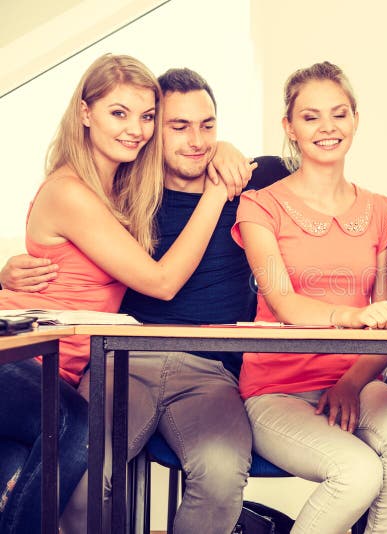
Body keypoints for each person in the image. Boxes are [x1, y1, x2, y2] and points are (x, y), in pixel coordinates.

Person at [1, 67, 269, 534]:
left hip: (105, 366)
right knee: (80, 448)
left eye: (144, 116)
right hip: (80, 359)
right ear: (85, 113)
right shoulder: (95, 193)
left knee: (220, 473)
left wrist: (226, 154)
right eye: (176, 125)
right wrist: (215, 192)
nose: (134, 128)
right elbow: (160, 281)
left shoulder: (126, 189)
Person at [231, 61, 387, 534]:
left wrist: (352, 381)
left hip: (357, 381)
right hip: (276, 389)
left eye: (339, 114)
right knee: (357, 472)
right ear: (290, 128)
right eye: (310, 116)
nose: (327, 127)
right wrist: (353, 315)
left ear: (356, 120)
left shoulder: (382, 209)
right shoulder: (260, 205)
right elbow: (285, 302)